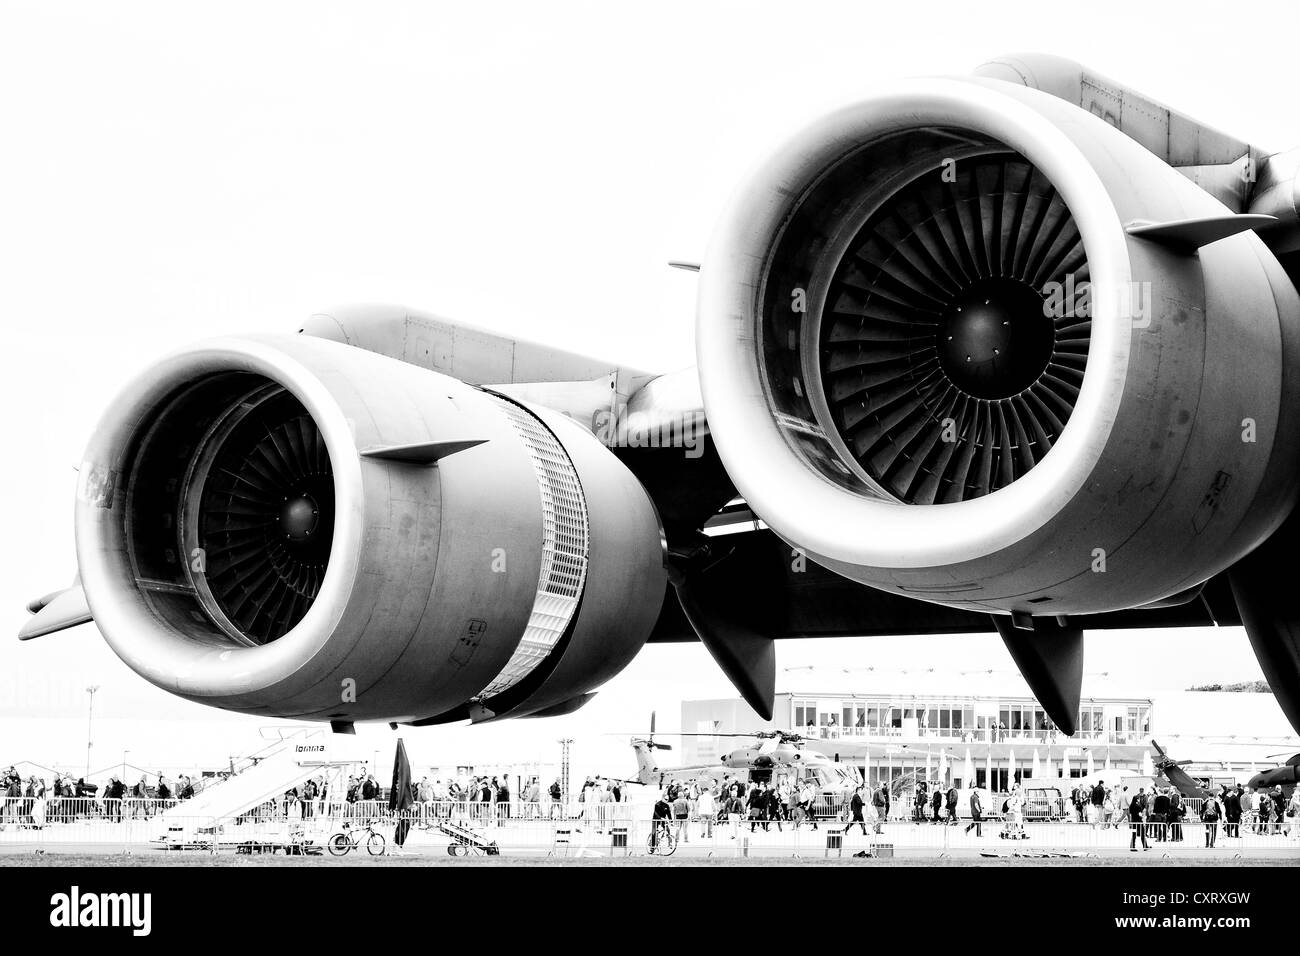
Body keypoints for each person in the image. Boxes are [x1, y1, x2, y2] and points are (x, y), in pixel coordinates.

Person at [1129, 786, 1150, 851]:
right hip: (1139, 822)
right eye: (1138, 799)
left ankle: (1132, 846)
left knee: (1134, 835)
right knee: (1143, 834)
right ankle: (1145, 846)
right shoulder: (1138, 806)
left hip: (1133, 822)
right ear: (1137, 800)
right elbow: (1140, 814)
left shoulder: (1131, 806)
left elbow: (1130, 813)